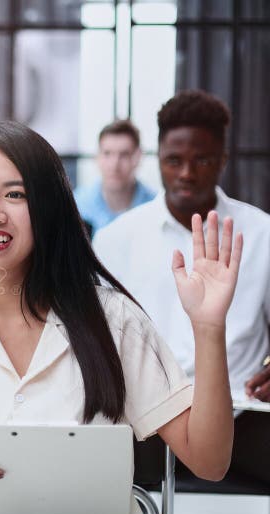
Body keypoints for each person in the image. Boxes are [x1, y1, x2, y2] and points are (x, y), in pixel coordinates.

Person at [0, 121, 239, 514]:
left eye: (16, 194)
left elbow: (209, 462)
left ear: (47, 210)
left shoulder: (114, 320)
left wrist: (209, 328)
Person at [94, 90, 270, 486]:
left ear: (222, 161)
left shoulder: (262, 233)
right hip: (146, 422)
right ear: (159, 159)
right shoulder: (115, 239)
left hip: (244, 416)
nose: (187, 173)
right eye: (174, 160)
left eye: (202, 160)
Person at [74, 119, 154, 235]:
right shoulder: (78, 204)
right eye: (107, 153)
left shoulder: (153, 205)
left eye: (124, 155)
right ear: (97, 157)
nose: (114, 164)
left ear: (138, 157)